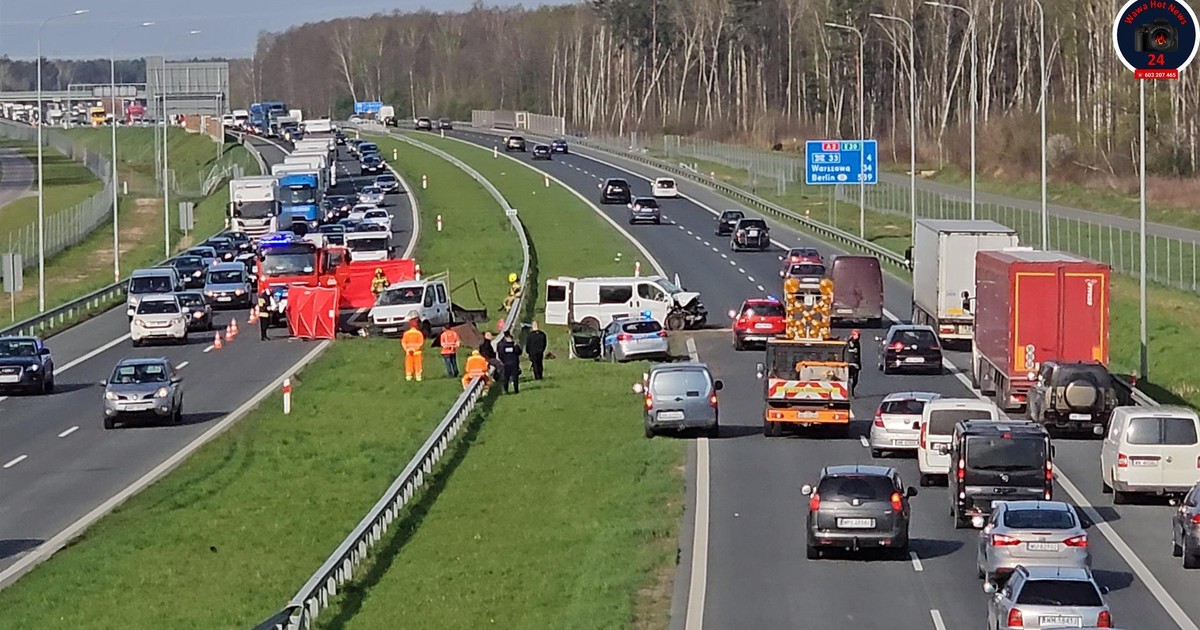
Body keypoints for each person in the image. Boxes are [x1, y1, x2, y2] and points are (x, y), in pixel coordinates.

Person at [846, 329, 862, 393]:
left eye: (858, 335)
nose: (857, 337)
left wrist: (859, 364)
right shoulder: (848, 343)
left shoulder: (857, 343)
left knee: (855, 379)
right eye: (856, 335)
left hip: (856, 364)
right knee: (848, 378)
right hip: (849, 363)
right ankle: (849, 391)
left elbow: (858, 354)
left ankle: (852, 389)